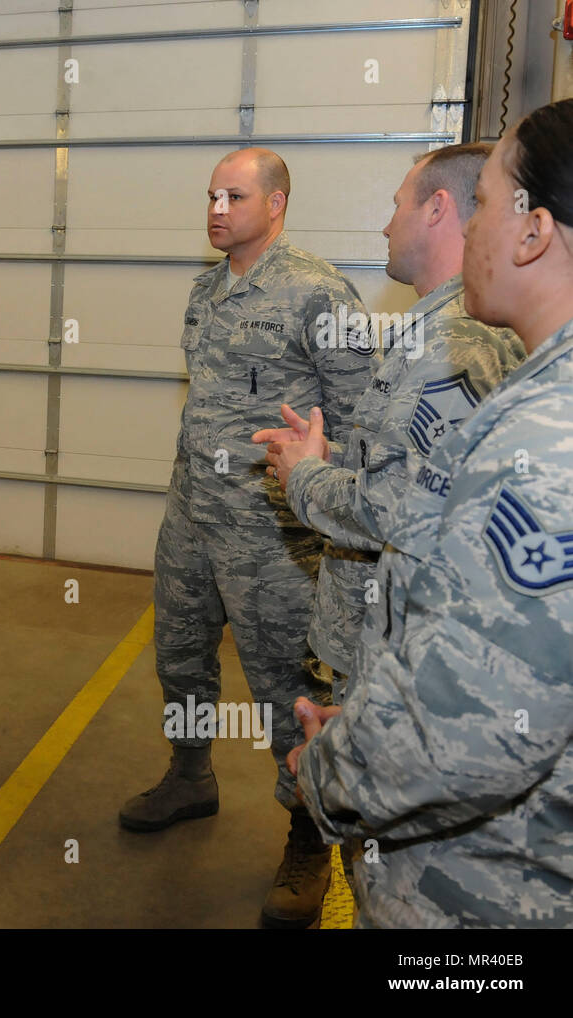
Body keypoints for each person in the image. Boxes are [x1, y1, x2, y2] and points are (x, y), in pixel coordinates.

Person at [290, 99, 573, 927]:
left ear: (532, 232)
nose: (475, 229)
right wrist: (392, 702)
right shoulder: (536, 394)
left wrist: (324, 771)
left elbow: (467, 737)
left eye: (485, 202)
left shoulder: (546, 443)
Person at [118, 147, 375, 929]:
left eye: (235, 194)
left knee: (285, 688)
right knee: (181, 656)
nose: (217, 208)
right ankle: (191, 776)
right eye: (211, 195)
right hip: (193, 515)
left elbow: (361, 412)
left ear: (278, 203)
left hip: (275, 533)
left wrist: (328, 486)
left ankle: (308, 835)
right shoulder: (205, 289)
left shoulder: (317, 290)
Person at [255, 143, 525, 705]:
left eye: (397, 205)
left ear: (436, 209)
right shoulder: (438, 329)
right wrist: (328, 457)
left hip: (402, 652)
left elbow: (401, 510)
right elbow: (425, 471)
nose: (385, 227)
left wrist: (303, 478)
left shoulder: (453, 342)